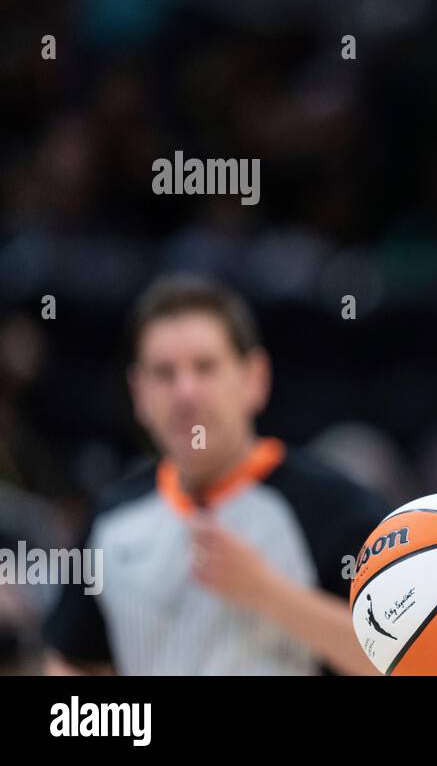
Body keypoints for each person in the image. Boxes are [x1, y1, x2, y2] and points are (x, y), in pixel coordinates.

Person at [43, 275, 389, 675]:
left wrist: (266, 592)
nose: (185, 392)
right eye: (164, 373)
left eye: (205, 368)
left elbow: (402, 660)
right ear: (138, 394)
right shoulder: (110, 518)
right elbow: (71, 660)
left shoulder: (339, 509)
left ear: (254, 378)